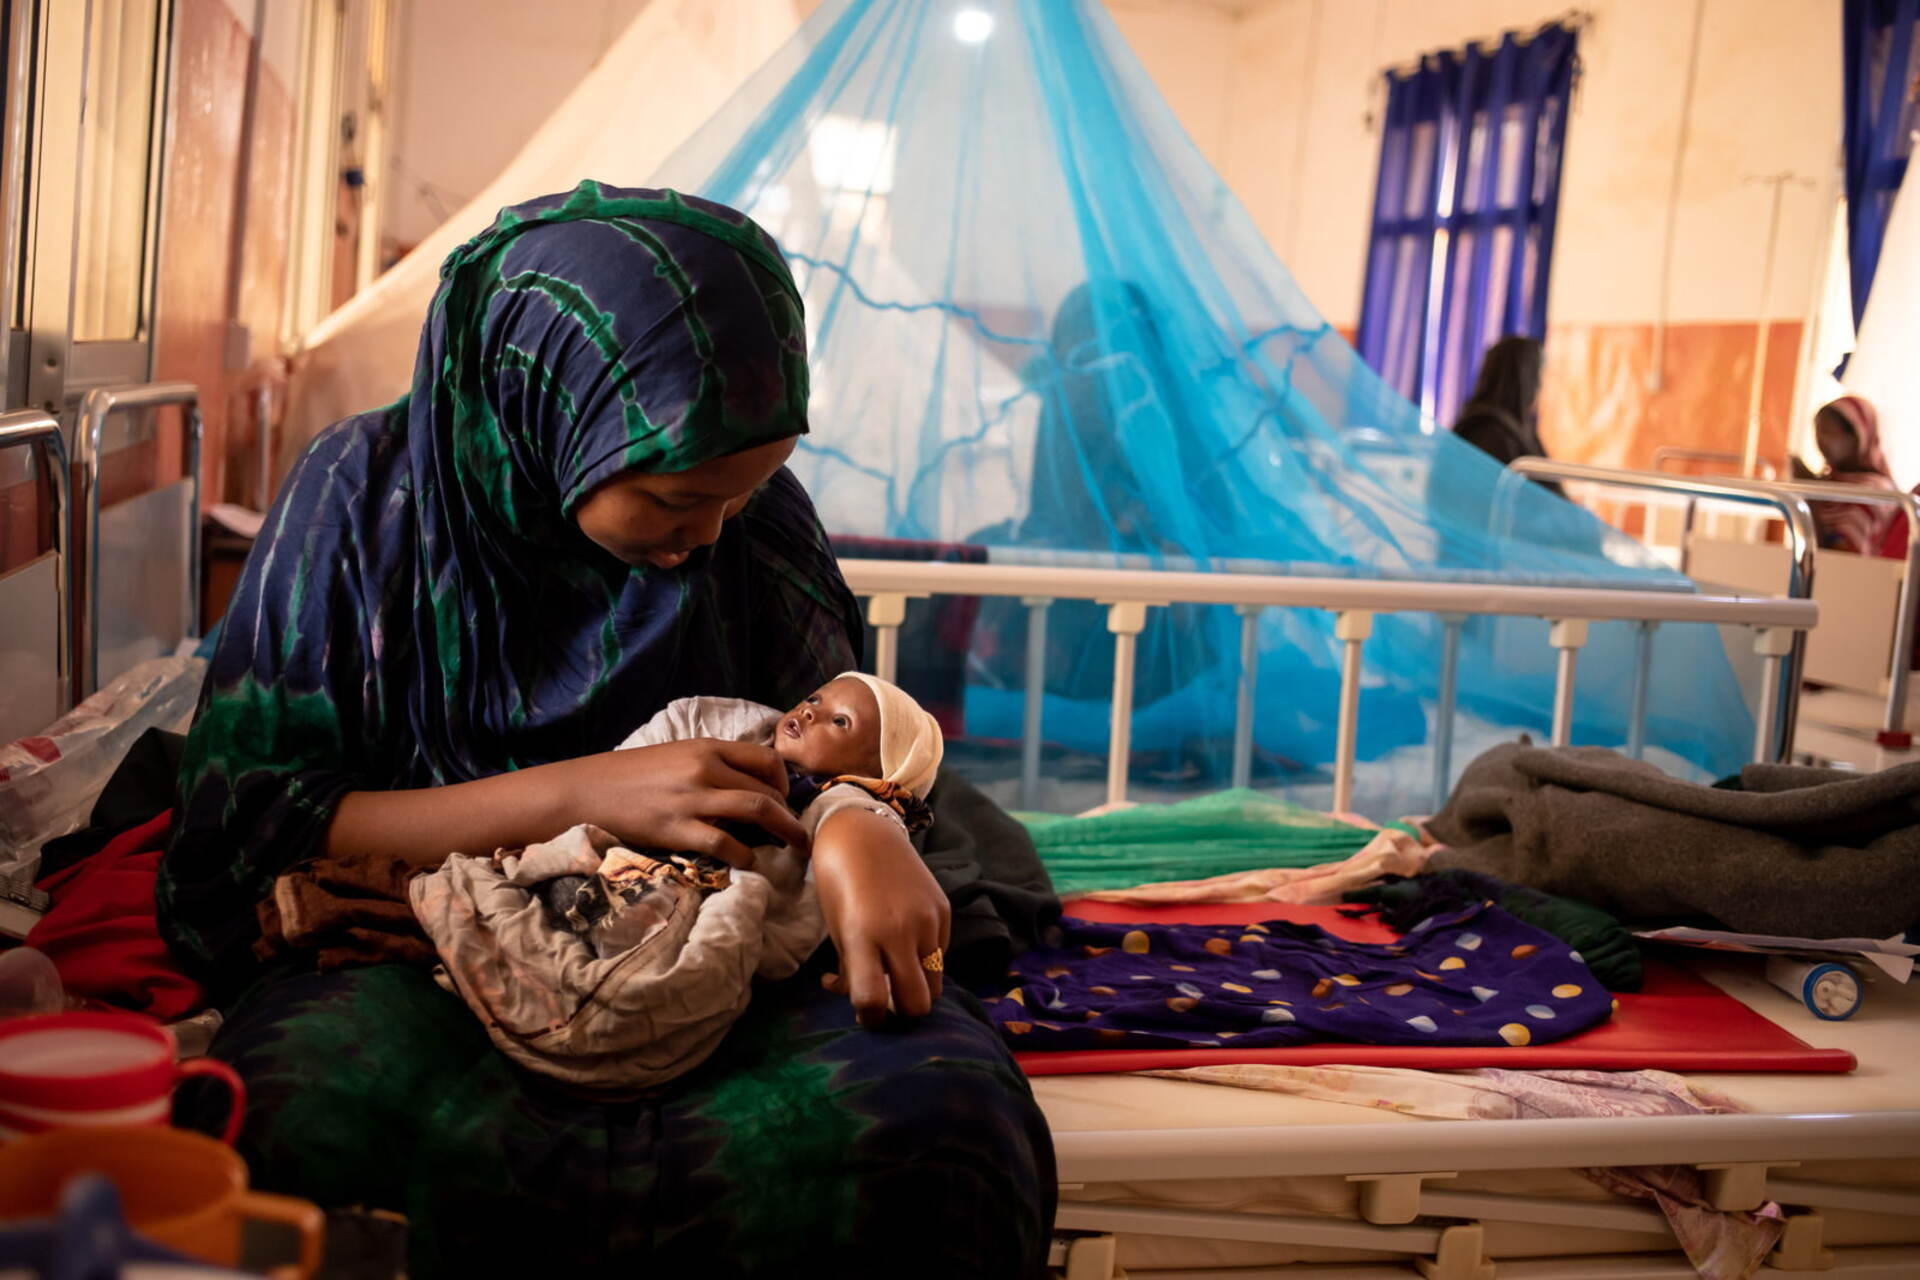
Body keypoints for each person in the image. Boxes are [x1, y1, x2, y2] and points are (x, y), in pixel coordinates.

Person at [156, 183, 1055, 1276]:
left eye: (749, 489)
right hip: (426, 947)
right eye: (677, 501)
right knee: (298, 1124)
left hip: (726, 954)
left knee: (944, 1126)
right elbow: (256, 828)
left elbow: (841, 726)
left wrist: (863, 821)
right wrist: (588, 793)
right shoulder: (362, 501)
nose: (714, 534)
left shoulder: (754, 525)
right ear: (556, 410)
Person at [408, 673, 947, 1094]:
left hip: (699, 906)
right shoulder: (713, 730)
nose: (810, 709)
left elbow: (845, 814)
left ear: (879, 774)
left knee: (687, 965)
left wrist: (861, 826)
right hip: (619, 869)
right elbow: (615, 782)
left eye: (841, 723)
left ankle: (602, 1014)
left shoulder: (833, 806)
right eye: (814, 697)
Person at [1449, 335, 1563, 496]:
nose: (1542, 385)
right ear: (1526, 378)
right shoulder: (1486, 433)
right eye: (1539, 375)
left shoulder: (1518, 429)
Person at [1809, 395, 1908, 558]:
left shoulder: (1873, 492)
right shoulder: (1831, 484)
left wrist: (1810, 503)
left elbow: (1842, 558)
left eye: (1827, 432)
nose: (1820, 441)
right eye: (1817, 432)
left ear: (1857, 436)